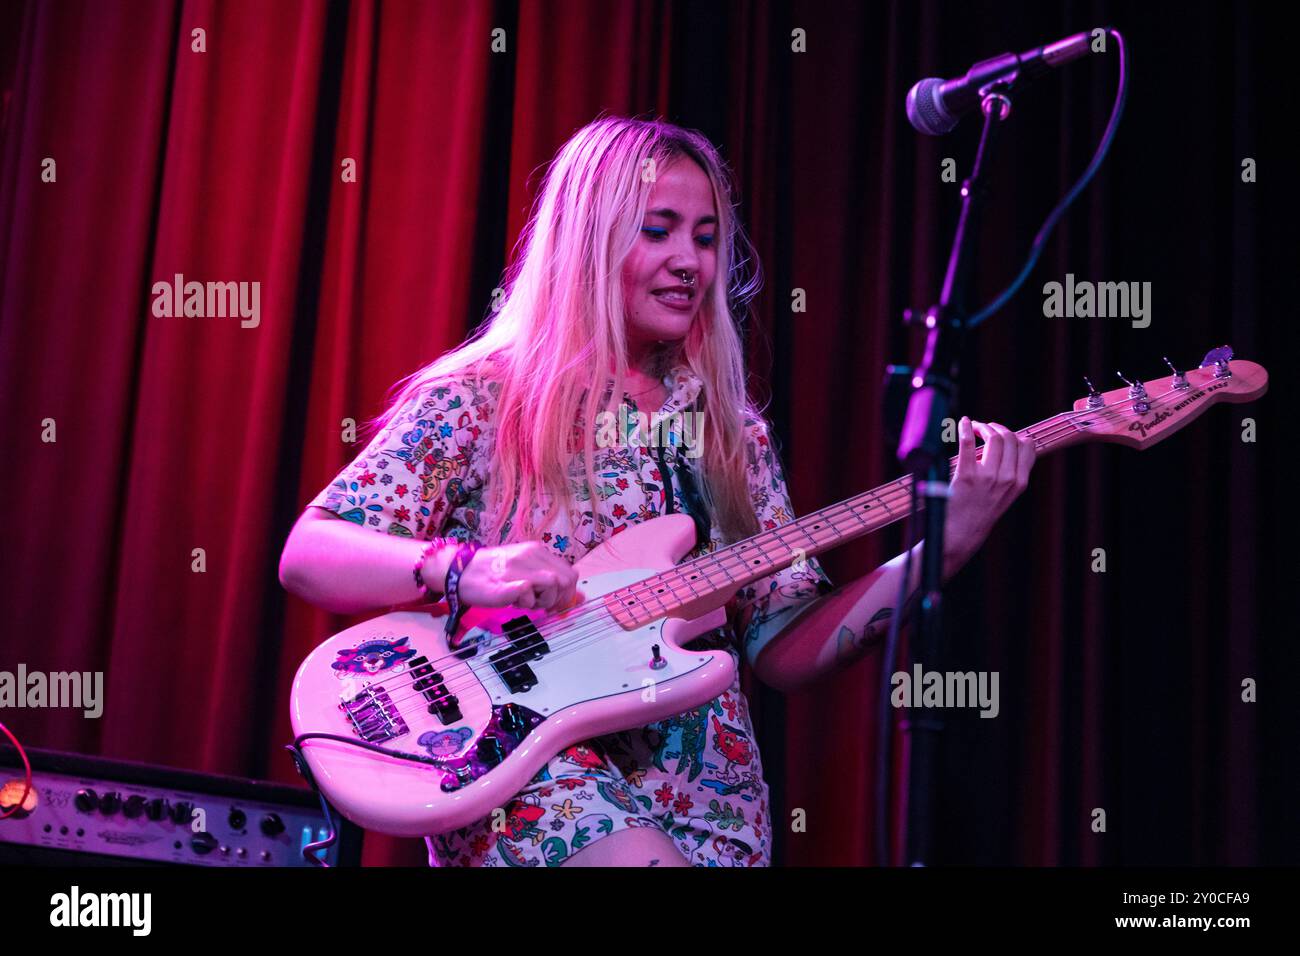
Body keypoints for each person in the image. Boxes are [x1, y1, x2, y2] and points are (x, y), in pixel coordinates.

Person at [278, 115, 1036, 867]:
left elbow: (782, 647)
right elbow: (310, 553)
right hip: (528, 772)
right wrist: (460, 567)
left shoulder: (731, 431)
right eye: (658, 231)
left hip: (710, 808)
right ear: (589, 239)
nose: (690, 263)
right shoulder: (483, 395)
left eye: (706, 238)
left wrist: (949, 540)